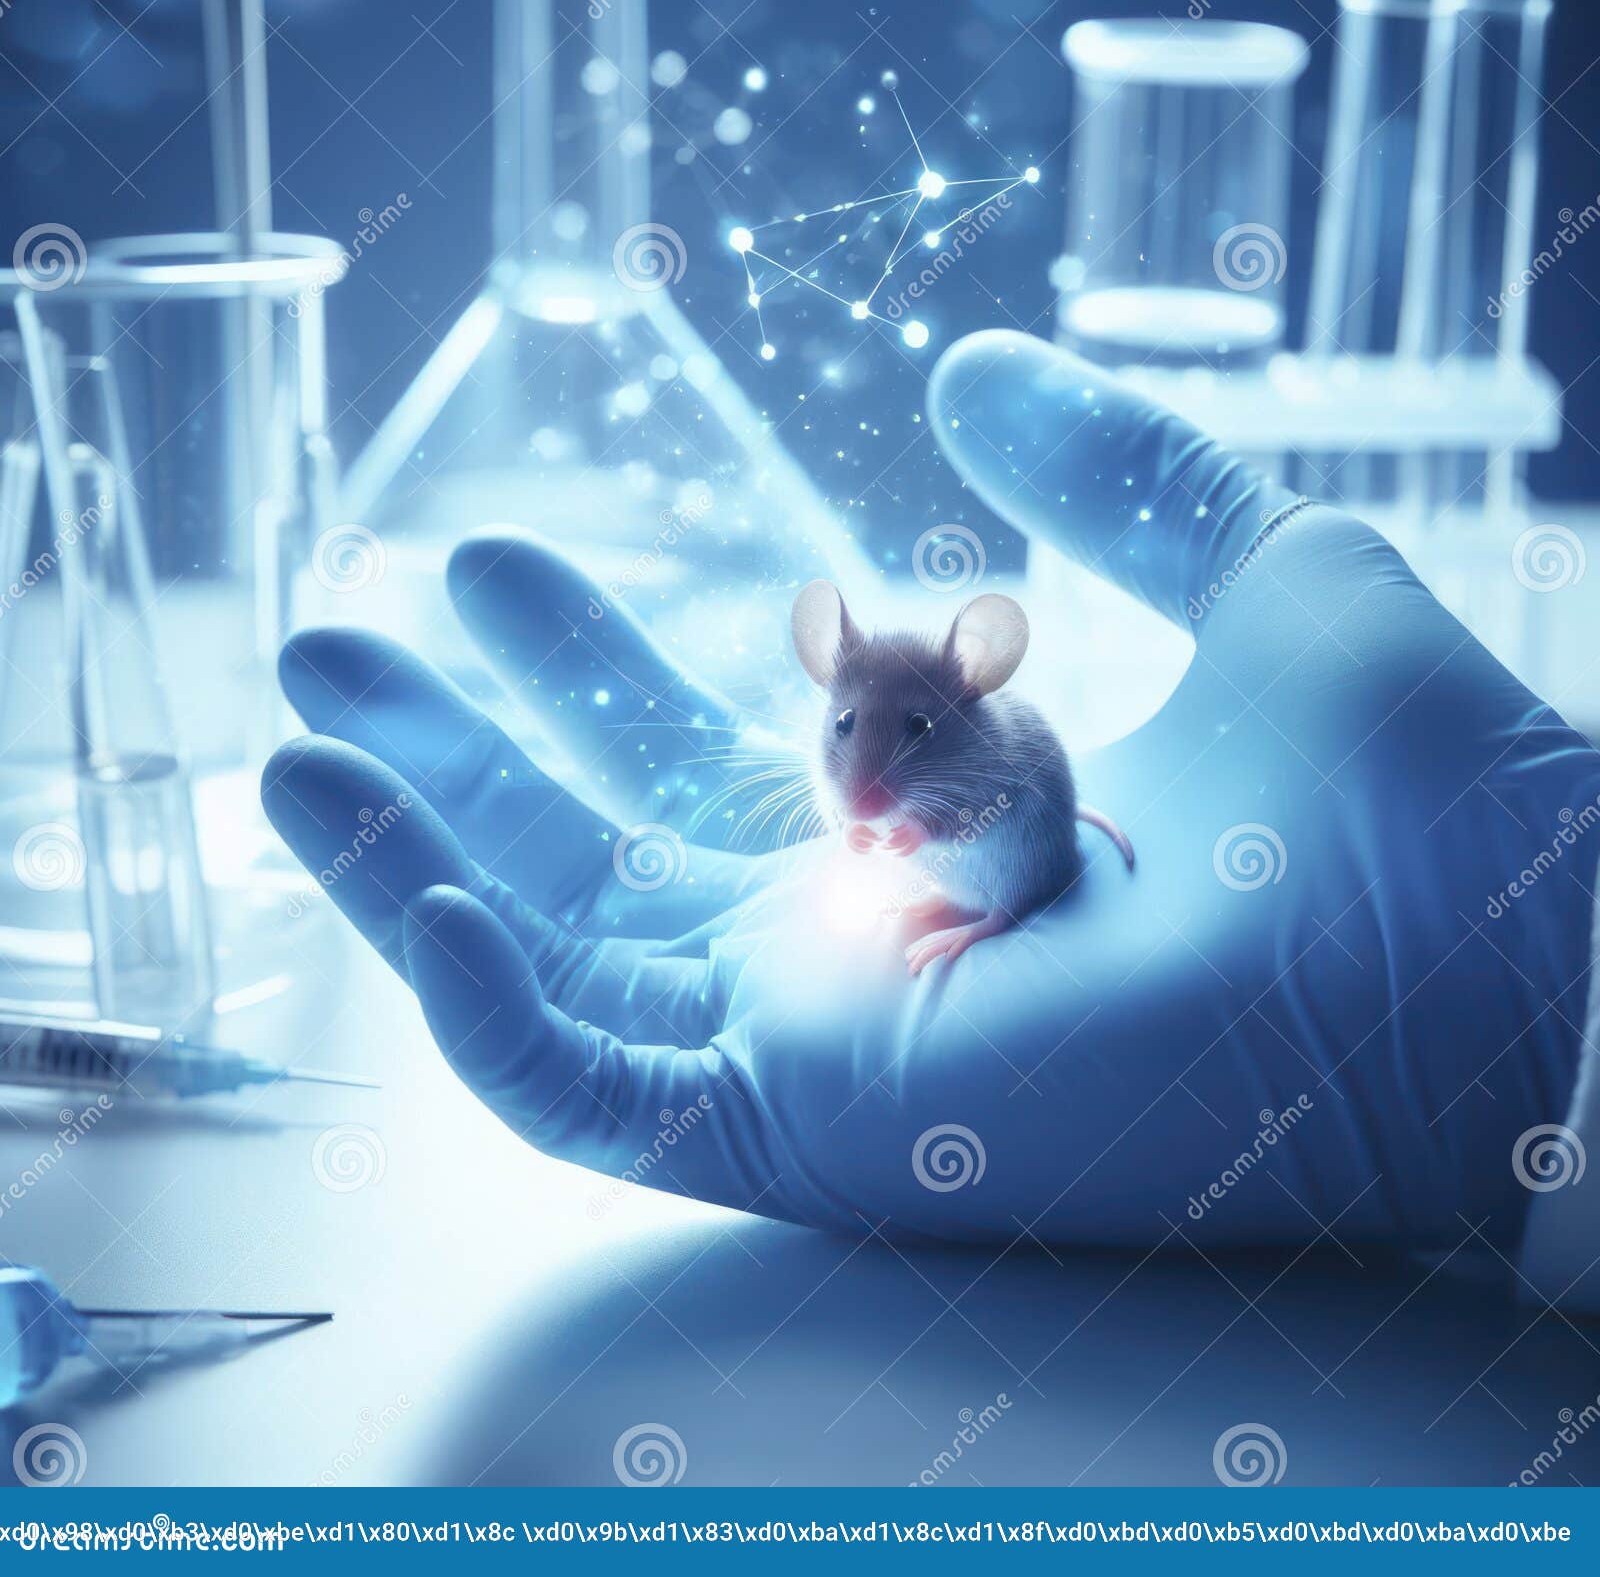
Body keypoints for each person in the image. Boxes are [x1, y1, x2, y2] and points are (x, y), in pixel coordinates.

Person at [262, 330, 1600, 1306]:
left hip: (1020, 861)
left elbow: (965, 800)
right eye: (846, 734)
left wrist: (1549, 972)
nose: (860, 766)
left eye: (901, 738)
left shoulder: (984, 747)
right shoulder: (868, 722)